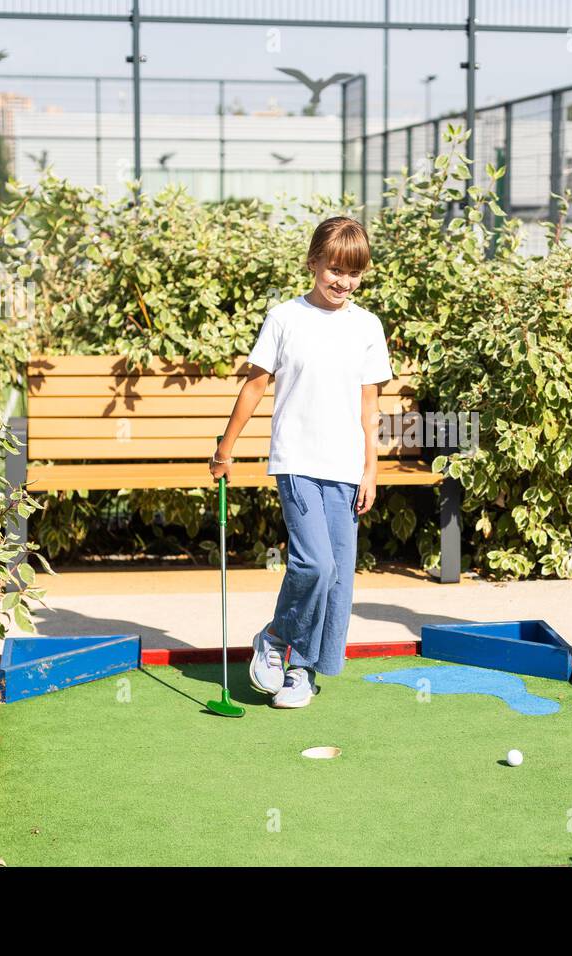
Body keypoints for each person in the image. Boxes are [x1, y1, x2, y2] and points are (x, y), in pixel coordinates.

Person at [211, 216, 392, 708]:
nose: (344, 282)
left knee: (338, 577)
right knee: (314, 564)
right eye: (335, 269)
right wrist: (225, 450)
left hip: (347, 468)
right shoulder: (284, 318)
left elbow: (369, 405)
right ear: (313, 262)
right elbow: (254, 384)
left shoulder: (366, 326)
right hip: (297, 462)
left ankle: (303, 670)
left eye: (353, 273)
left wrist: (371, 469)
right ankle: (274, 638)